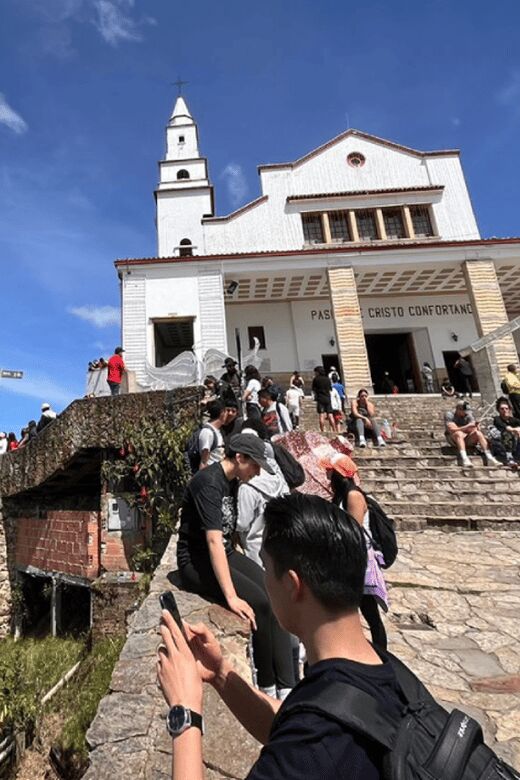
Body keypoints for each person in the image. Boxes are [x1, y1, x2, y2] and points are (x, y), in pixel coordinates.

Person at [157, 493, 405, 780]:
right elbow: (293, 721)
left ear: (291, 585)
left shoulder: (311, 751)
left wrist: (185, 710)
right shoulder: (386, 670)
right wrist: (221, 674)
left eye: (266, 567)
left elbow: (308, 738)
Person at [176, 433, 295, 699]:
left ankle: (287, 684)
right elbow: (213, 541)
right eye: (254, 465)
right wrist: (231, 596)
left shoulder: (232, 481)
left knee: (271, 590)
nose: (256, 472)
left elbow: (228, 537)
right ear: (239, 458)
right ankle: (267, 686)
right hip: (196, 562)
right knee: (260, 604)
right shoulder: (208, 483)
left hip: (225, 552)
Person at [330, 471, 388, 649]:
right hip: (347, 558)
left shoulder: (353, 495)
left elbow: (354, 528)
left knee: (369, 610)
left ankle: (380, 649)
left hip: (358, 559)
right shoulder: (341, 496)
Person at [237, 428, 289, 567]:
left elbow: (242, 523)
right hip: (276, 541)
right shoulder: (275, 474)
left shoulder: (247, 487)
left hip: (254, 547)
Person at [444, 400, 499, 467]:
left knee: (478, 433)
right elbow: (452, 429)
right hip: (453, 439)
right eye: (464, 411)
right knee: (458, 433)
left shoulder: (468, 415)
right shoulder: (449, 415)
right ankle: (464, 458)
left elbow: (473, 429)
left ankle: (489, 457)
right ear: (459, 409)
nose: (466, 413)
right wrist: (467, 427)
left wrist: (476, 426)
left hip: (466, 438)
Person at [198, 399, 227, 469]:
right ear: (222, 413)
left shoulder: (216, 431)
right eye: (226, 411)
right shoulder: (208, 432)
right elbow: (204, 461)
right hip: (211, 474)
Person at [492, 397, 520, 464]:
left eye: (506, 408)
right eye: (502, 409)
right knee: (507, 433)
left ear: (509, 409)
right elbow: (506, 428)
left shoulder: (513, 420)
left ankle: (517, 457)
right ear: (498, 410)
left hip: (513, 443)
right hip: (499, 444)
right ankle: (509, 457)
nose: (504, 410)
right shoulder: (497, 419)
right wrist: (516, 429)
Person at [311, 366, 335, 433]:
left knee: (321, 414)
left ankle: (322, 430)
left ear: (318, 372)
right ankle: (334, 429)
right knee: (330, 414)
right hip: (327, 398)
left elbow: (313, 390)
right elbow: (330, 389)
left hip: (320, 398)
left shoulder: (316, 379)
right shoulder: (327, 379)